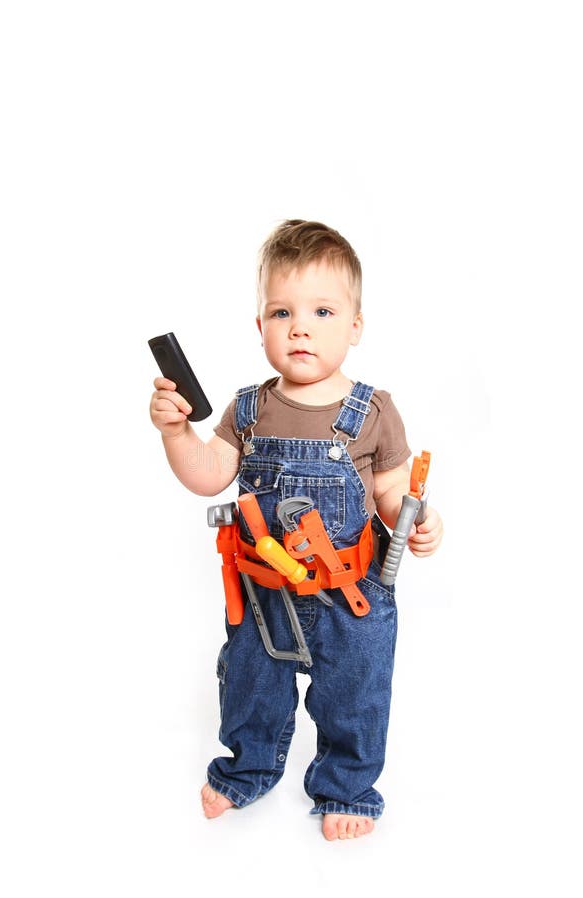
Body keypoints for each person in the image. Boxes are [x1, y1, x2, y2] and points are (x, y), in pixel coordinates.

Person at [149, 220, 443, 840]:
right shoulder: (246, 410)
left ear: (356, 326)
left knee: (355, 697)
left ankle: (346, 789)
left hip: (352, 594)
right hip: (263, 596)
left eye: (323, 310)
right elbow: (208, 476)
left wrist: (419, 521)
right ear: (260, 328)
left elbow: (392, 494)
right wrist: (179, 435)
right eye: (281, 311)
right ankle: (246, 769)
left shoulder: (374, 410)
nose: (300, 327)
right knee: (251, 687)